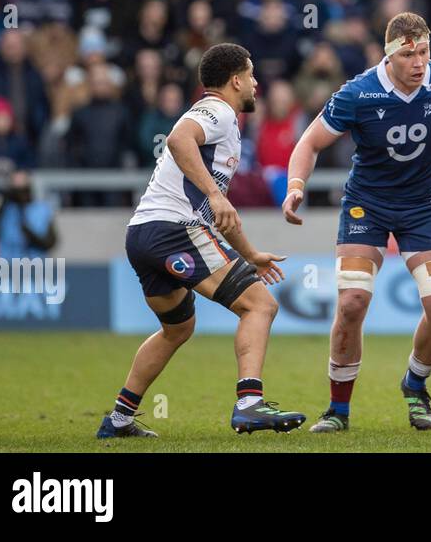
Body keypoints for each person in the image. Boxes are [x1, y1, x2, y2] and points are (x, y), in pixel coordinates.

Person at [281, 13, 431, 434]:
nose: (418, 62)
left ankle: (415, 383)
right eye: (408, 54)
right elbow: (310, 141)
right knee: (353, 301)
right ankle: (338, 410)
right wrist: (296, 186)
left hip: (424, 204)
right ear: (387, 56)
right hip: (366, 205)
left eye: (424, 52)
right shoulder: (358, 92)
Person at [99, 43, 304, 438]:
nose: (257, 84)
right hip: (174, 230)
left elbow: (222, 217)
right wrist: (214, 193)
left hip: (143, 233)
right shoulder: (218, 111)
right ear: (236, 80)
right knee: (260, 306)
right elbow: (178, 140)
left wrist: (251, 255)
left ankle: (120, 419)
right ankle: (249, 404)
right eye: (252, 75)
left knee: (177, 328)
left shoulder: (222, 122)